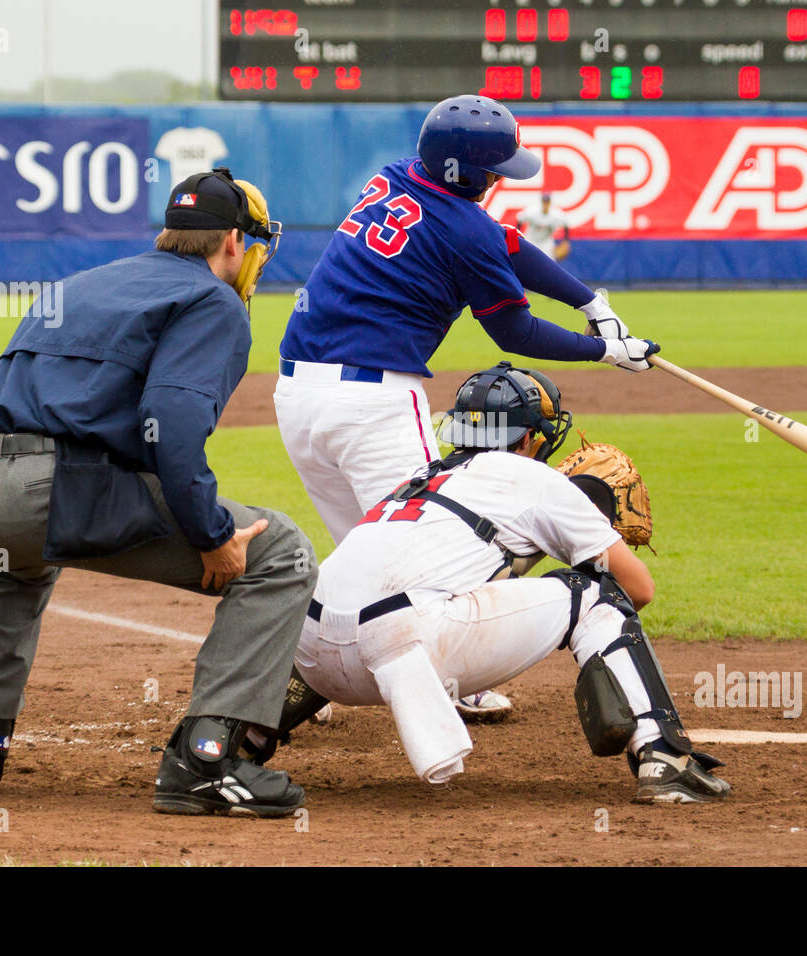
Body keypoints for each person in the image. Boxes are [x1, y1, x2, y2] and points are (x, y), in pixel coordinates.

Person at [0, 168, 315, 819]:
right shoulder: (213, 302)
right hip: (49, 491)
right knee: (280, 553)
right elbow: (170, 426)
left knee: (12, 568)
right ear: (232, 240)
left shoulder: (87, 282)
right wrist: (211, 535)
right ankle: (207, 759)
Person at [274, 93, 658, 720]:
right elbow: (515, 333)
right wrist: (604, 351)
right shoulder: (464, 227)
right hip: (374, 402)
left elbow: (505, 243)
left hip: (297, 394)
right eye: (495, 170)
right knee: (437, 541)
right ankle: (455, 674)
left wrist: (590, 301)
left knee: (361, 548)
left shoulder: (397, 175)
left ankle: (308, 670)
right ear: (470, 174)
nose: (500, 179)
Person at [282, 363, 730, 803]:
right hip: (400, 654)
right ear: (530, 438)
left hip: (312, 655)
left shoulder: (419, 477)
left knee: (349, 604)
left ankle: (244, 738)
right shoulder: (535, 477)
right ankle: (663, 757)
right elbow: (638, 588)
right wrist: (589, 531)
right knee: (598, 595)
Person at [514, 192, 570, 262]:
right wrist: (517, 237)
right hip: (531, 241)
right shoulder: (532, 211)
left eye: (547, 202)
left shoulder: (556, 214)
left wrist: (565, 241)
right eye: (544, 201)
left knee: (549, 263)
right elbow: (520, 220)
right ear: (541, 202)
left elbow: (566, 225)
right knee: (528, 262)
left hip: (546, 243)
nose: (545, 204)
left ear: (550, 202)